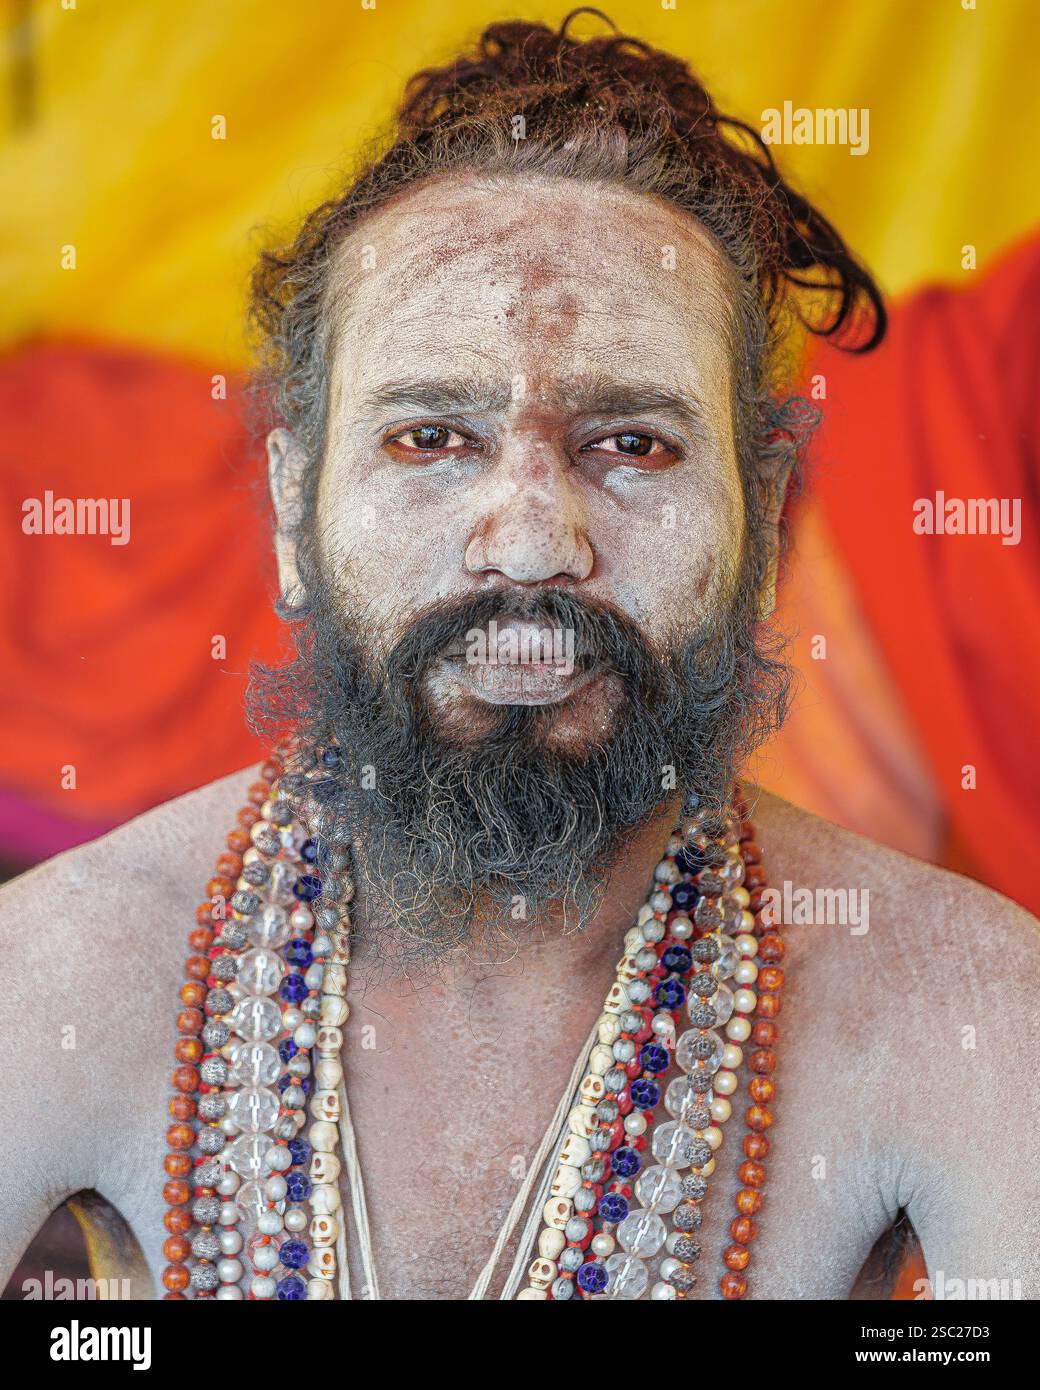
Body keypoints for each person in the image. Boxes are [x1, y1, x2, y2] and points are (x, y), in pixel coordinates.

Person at [2, 11, 1036, 1302]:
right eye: (432, 439)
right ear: (289, 509)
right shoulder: (50, 976)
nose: (536, 540)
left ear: (765, 523)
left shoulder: (972, 1005)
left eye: (635, 445)